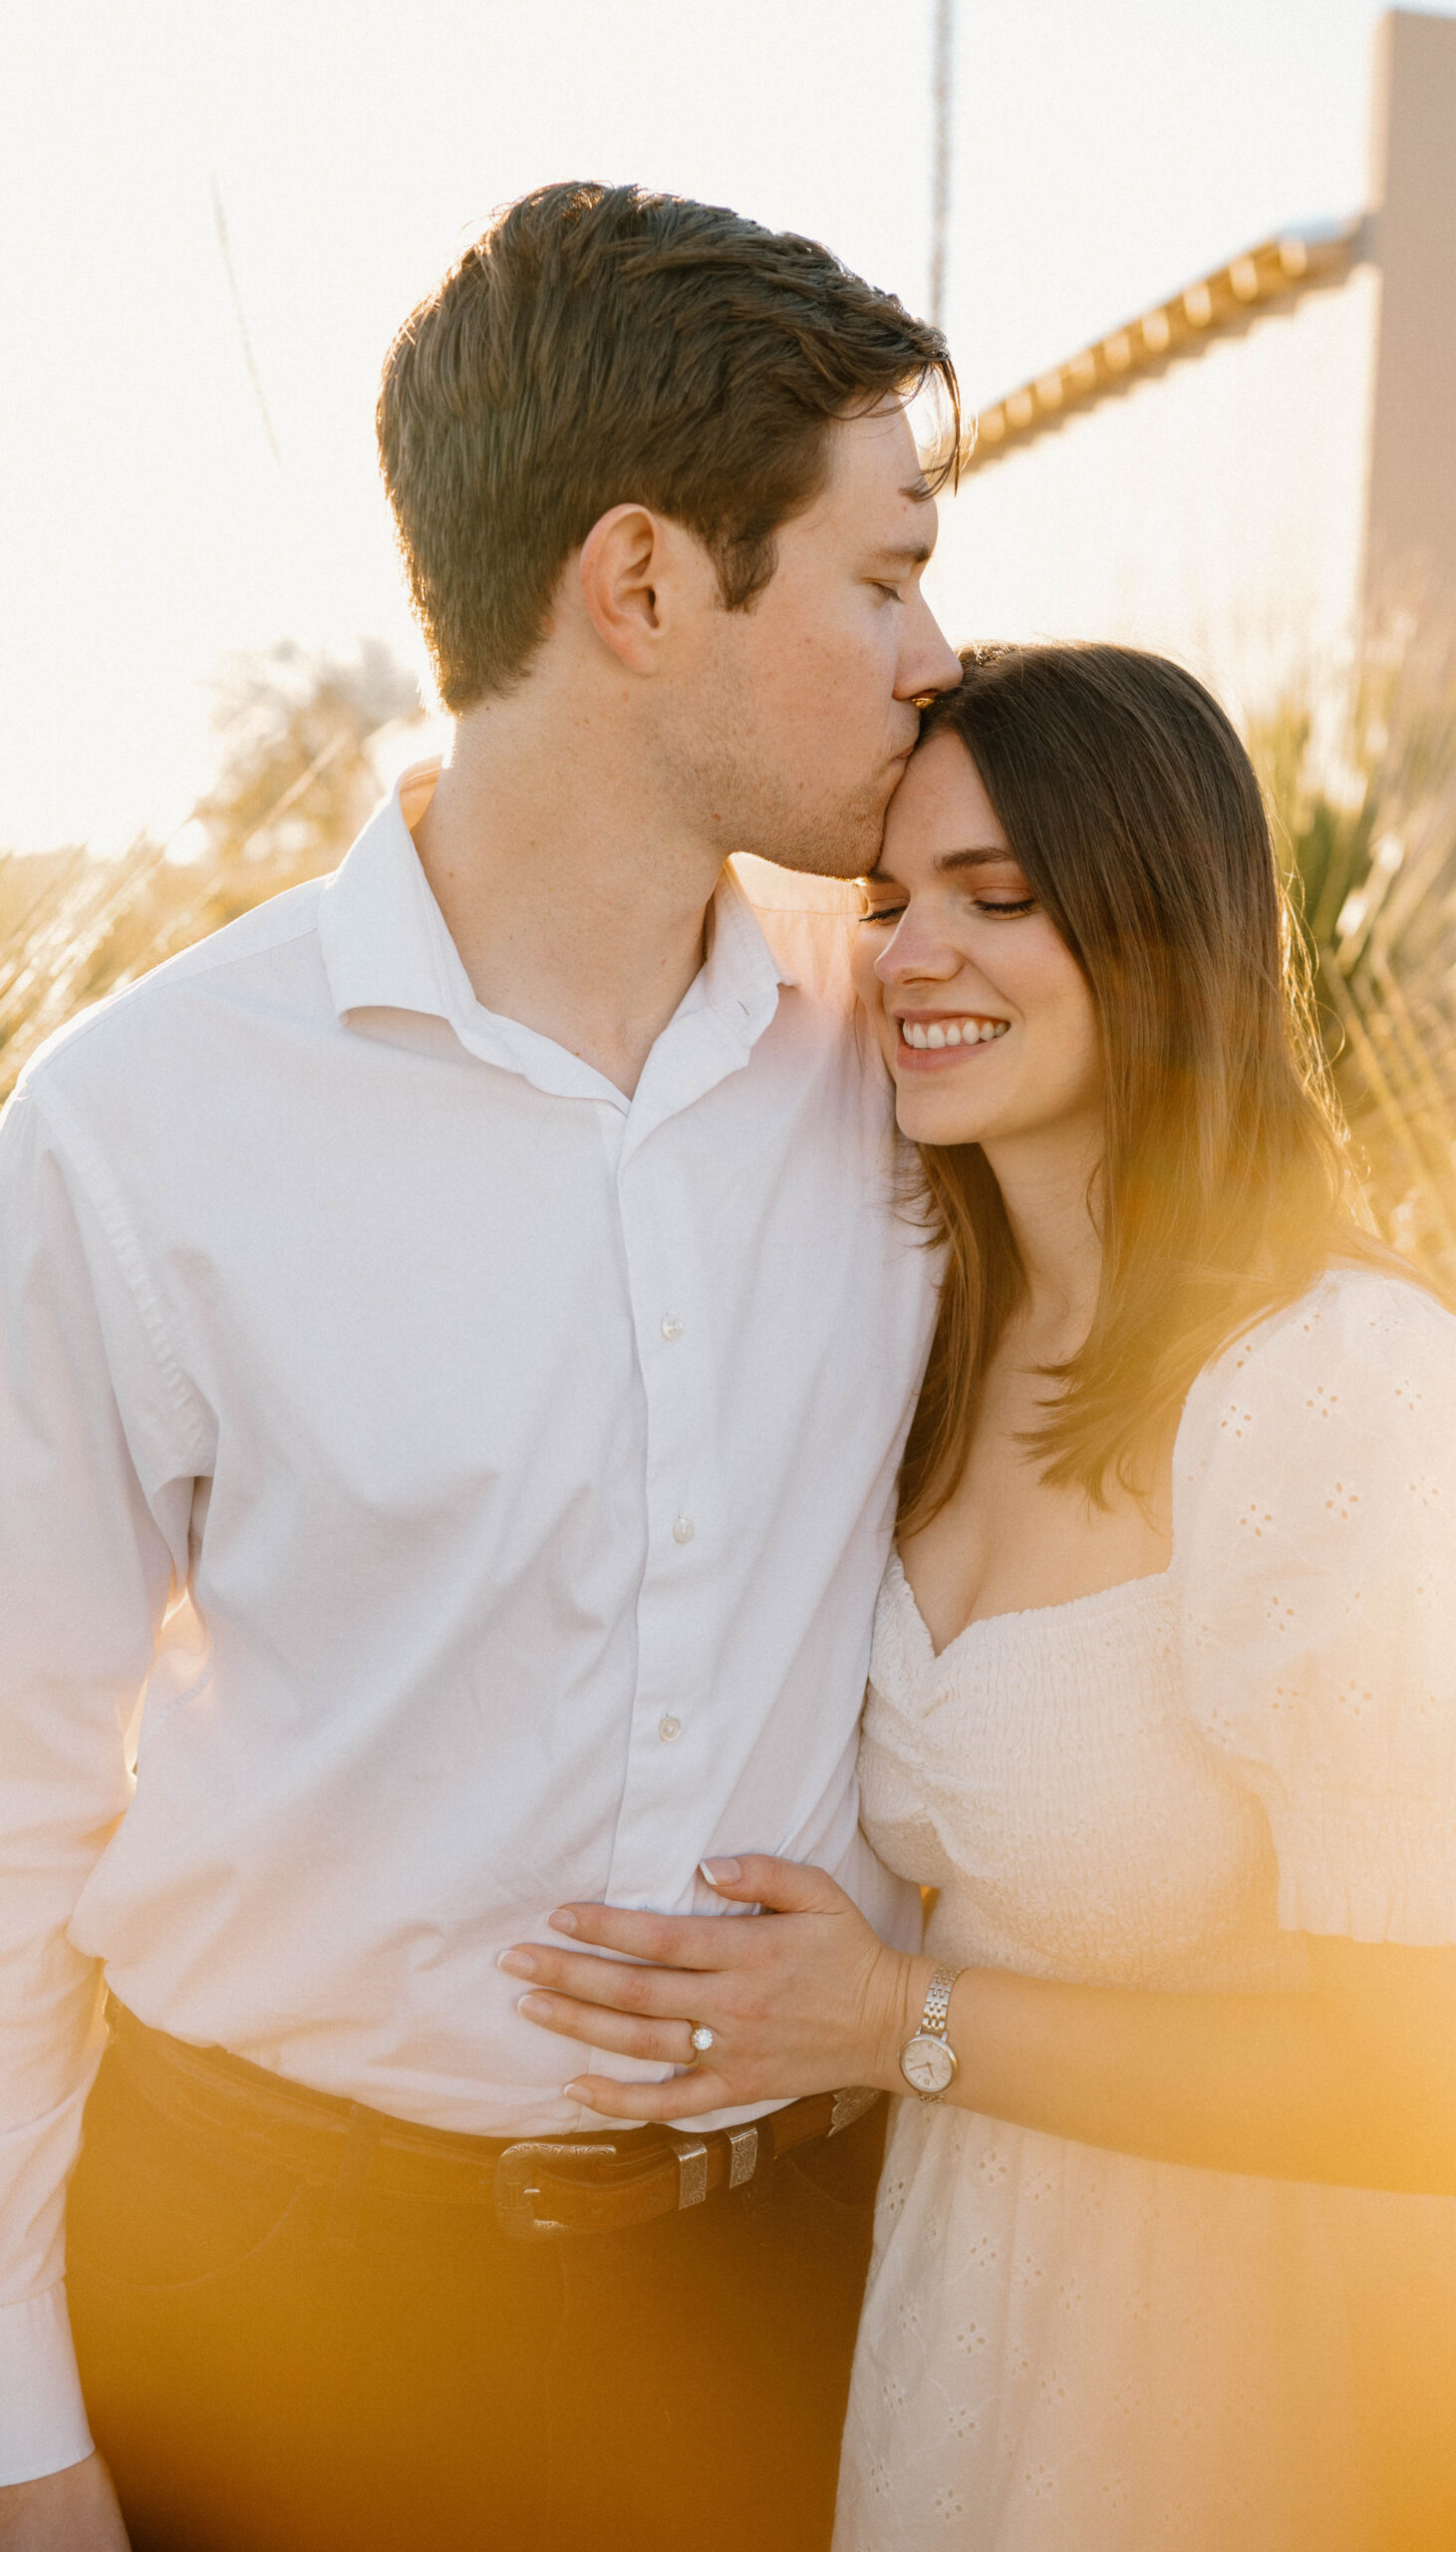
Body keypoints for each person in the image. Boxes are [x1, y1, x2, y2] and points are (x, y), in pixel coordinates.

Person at [0, 181, 962, 2552]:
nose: (939, 649)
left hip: (784, 2293)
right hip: (263, 2299)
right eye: (880, 572)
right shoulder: (142, 1121)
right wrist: (26, 2438)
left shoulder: (916, 1057)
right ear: (639, 587)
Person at [507, 643, 1456, 2551]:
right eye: (889, 902)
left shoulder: (1343, 1399)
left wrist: (894, 2024)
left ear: (1163, 932)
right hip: (957, 2338)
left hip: (1249, 2388)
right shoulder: (932, 1341)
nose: (912, 955)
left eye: (998, 900)